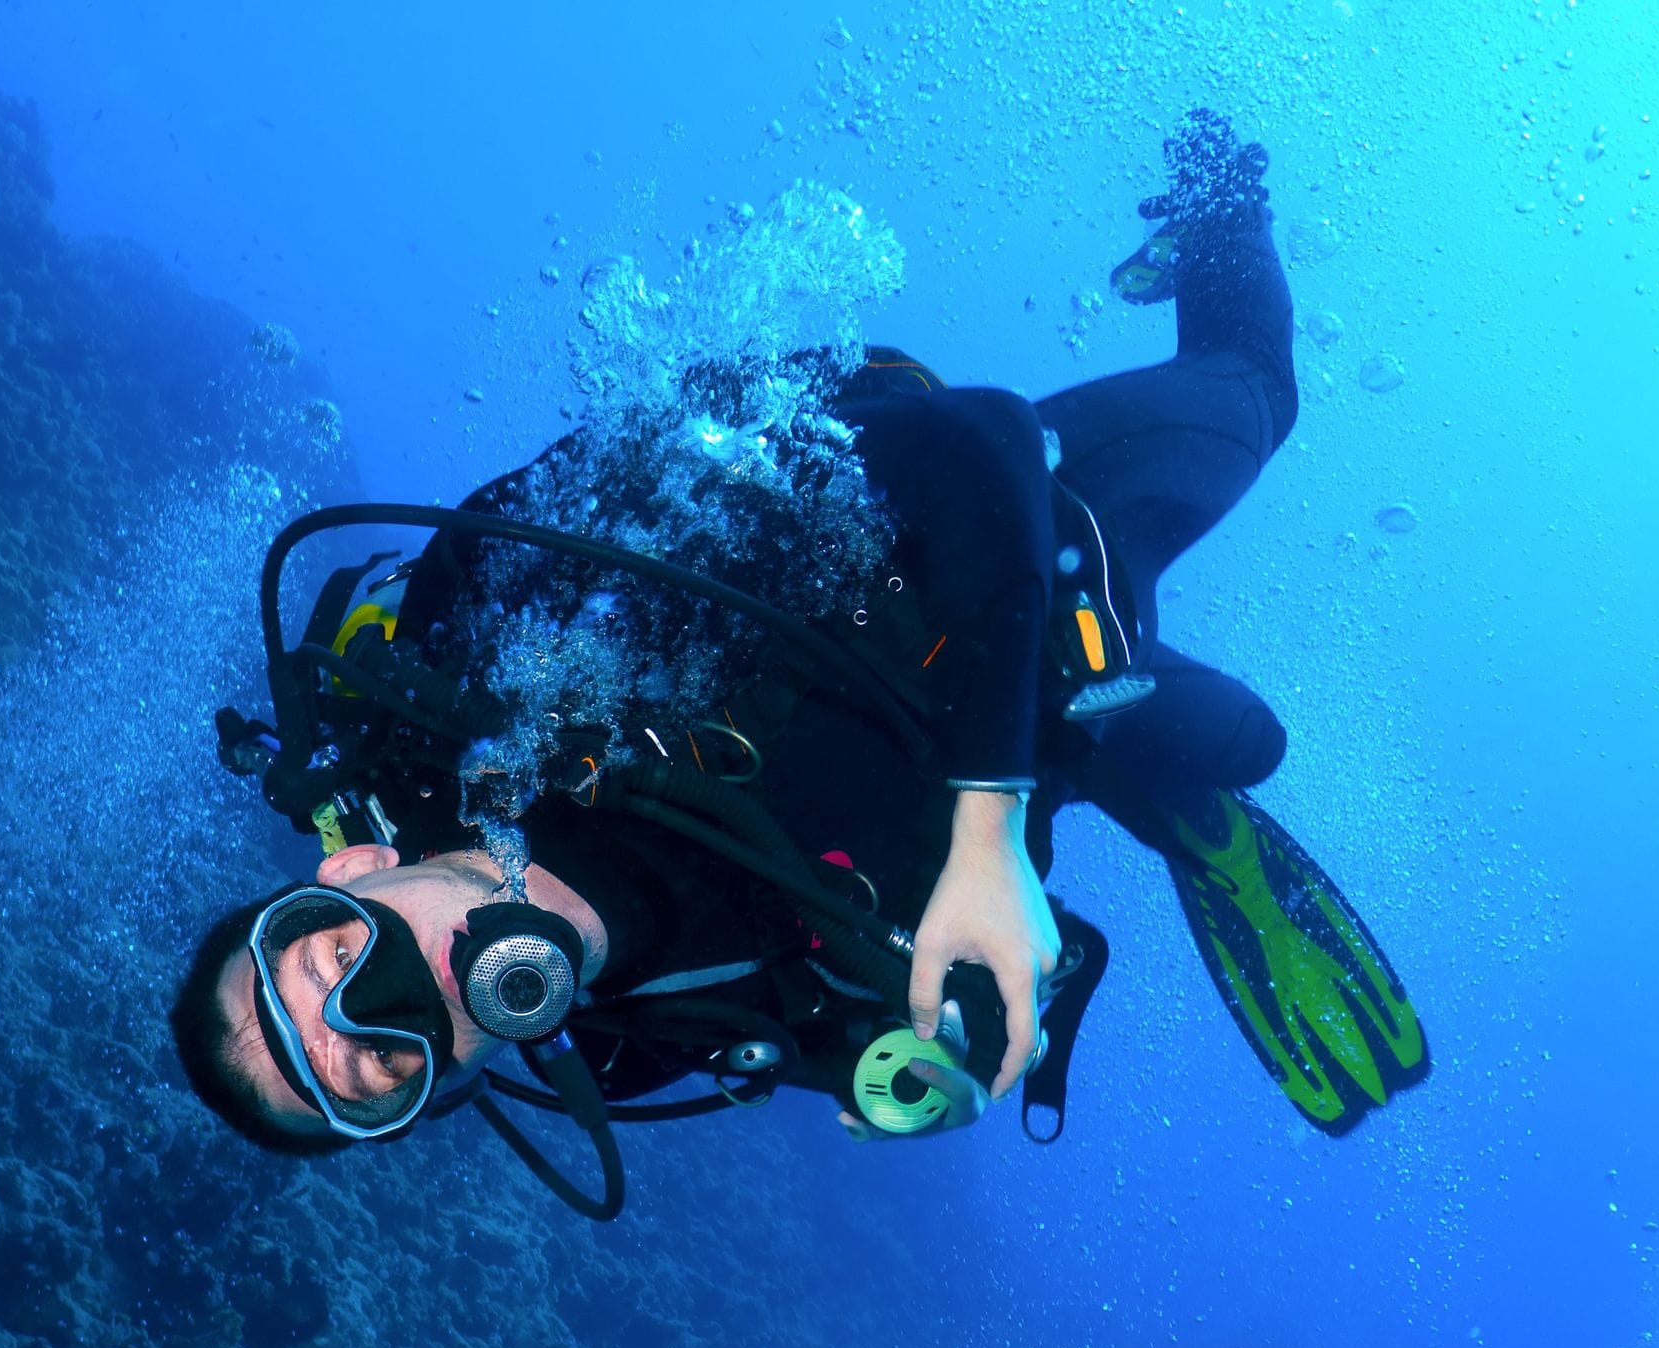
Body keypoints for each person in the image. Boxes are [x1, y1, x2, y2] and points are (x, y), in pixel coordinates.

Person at [169, 112, 1428, 1211]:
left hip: (983, 549)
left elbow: (972, 434)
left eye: (335, 962)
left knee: (1250, 404)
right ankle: (1120, 762)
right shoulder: (628, 1048)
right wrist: (934, 1054)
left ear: (350, 869)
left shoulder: (484, 646)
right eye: (378, 1064)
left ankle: (1216, 189)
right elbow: (844, 986)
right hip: (1006, 739)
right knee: (1215, 737)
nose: (393, 1002)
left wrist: (982, 841)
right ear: (443, 1086)